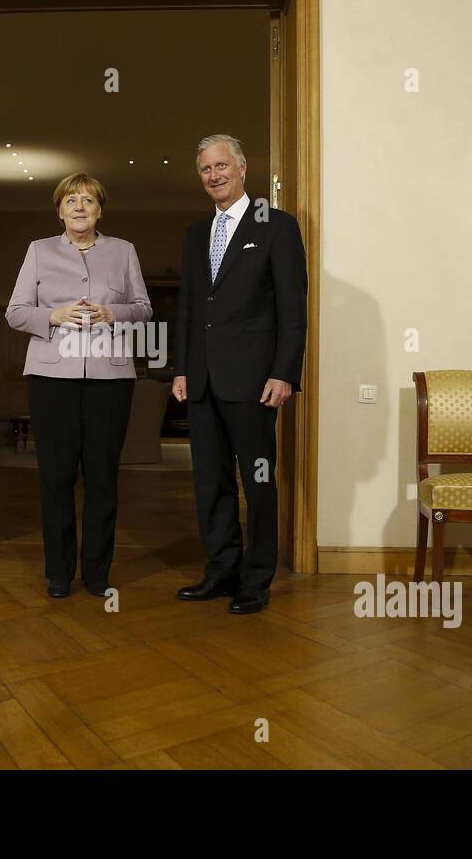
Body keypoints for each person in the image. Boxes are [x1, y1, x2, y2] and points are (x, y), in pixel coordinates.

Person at [172, 134, 307, 614]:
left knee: (258, 480)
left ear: (243, 168)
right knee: (210, 480)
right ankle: (221, 570)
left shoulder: (277, 226)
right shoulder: (194, 235)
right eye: (205, 168)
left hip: (254, 382)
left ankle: (256, 578)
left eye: (221, 166)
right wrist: (183, 370)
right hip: (204, 379)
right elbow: (189, 309)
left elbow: (293, 309)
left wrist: (284, 373)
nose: (214, 175)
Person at [6, 173, 152, 598]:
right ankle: (58, 573)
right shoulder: (39, 251)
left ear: (100, 209)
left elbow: (143, 309)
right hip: (52, 378)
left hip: (111, 378)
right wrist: (52, 316)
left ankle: (97, 572)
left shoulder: (123, 251)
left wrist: (113, 313)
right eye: (72, 200)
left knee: (103, 477)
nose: (80, 206)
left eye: (89, 200)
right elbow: (15, 312)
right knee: (56, 477)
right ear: (60, 210)